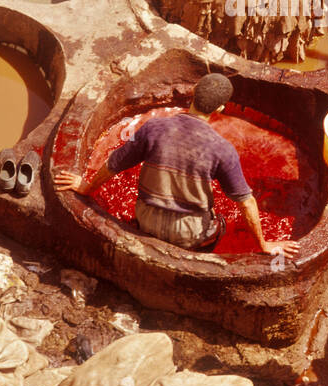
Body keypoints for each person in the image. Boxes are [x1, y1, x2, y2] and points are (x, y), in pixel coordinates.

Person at [53, 73, 300, 259]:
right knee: (221, 221)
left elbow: (114, 162)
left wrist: (85, 187)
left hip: (146, 218)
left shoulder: (153, 128)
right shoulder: (221, 148)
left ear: (192, 94)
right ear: (220, 109)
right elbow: (246, 202)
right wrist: (265, 244)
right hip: (190, 235)